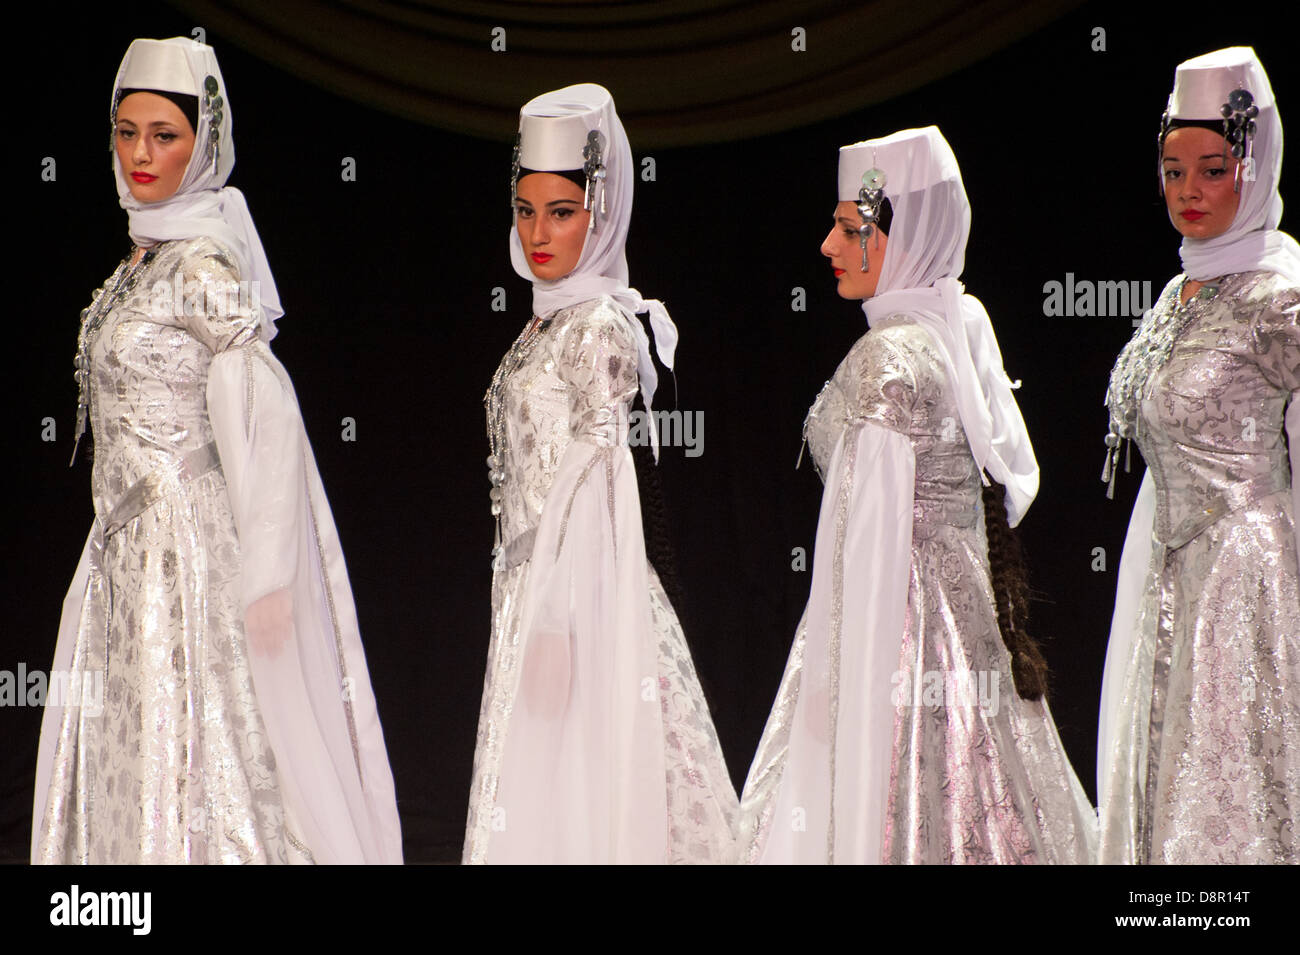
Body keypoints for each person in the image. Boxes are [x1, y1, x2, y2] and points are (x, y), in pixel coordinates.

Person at [33, 37, 402, 864]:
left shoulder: (201, 264)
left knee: (199, 752)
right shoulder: (140, 259)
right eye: (127, 132)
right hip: (120, 551)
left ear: (204, 142)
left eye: (164, 135)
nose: (140, 154)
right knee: (131, 752)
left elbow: (266, 414)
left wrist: (268, 567)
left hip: (184, 554)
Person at [739, 126, 1096, 864]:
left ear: (901, 240)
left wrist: (832, 683)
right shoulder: (947, 335)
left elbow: (861, 545)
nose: (828, 247)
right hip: (964, 623)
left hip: (895, 626)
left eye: (850, 230)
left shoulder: (890, 359)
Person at [464, 83, 737, 863]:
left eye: (561, 211)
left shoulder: (595, 327)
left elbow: (601, 487)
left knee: (585, 787)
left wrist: (557, 620)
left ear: (602, 208)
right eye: (525, 210)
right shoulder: (546, 323)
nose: (537, 232)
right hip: (531, 592)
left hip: (581, 596)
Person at [1098, 47, 1300, 864]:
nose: (1189, 191)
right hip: (1169, 575)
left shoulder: (1280, 296)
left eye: (1213, 170)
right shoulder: (1178, 293)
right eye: (1174, 170)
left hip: (1248, 581)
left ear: (1254, 164)